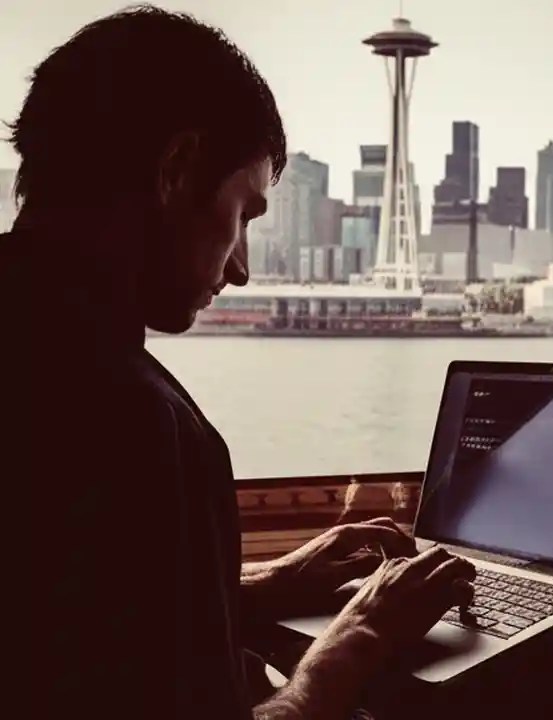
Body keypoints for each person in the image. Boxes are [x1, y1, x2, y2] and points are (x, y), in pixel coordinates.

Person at [3, 6, 474, 719]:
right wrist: (361, 635)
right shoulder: (138, 426)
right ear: (177, 168)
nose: (244, 268)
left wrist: (263, 583)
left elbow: (63, 619)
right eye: (245, 212)